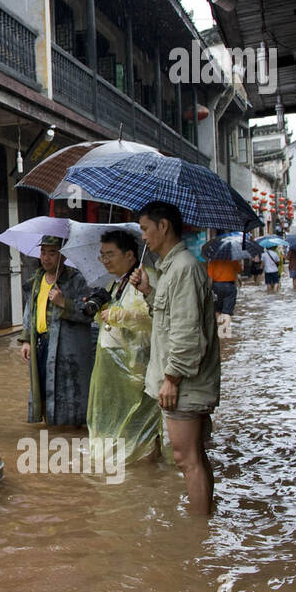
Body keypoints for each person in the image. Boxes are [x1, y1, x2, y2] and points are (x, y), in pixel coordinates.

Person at [132, 200, 220, 516]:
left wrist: (171, 379)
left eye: (145, 229)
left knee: (186, 459)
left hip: (184, 384)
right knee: (194, 455)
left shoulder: (183, 268)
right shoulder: (173, 269)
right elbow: (173, 317)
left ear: (164, 226)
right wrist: (148, 291)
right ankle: (207, 520)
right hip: (183, 382)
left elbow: (187, 333)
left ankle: (198, 534)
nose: (143, 237)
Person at [86, 229, 162, 465]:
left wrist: (119, 315)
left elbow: (153, 318)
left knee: (143, 424)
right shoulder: (115, 284)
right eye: (102, 255)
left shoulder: (146, 278)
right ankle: (125, 465)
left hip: (138, 366)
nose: (105, 260)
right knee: (121, 422)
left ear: (130, 255)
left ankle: (147, 470)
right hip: (115, 368)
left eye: (110, 254)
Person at [16, 235, 96, 428]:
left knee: (69, 394)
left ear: (63, 255)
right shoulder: (37, 279)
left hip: (67, 349)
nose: (46, 258)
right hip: (41, 345)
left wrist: (63, 303)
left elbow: (89, 314)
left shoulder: (77, 280)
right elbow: (30, 311)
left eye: (52, 253)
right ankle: (51, 433)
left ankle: (69, 434)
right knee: (43, 391)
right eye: (43, 252)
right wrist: (27, 340)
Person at [206, 255, 240, 339]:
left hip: (216, 287)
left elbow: (210, 278)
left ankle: (218, 332)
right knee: (227, 312)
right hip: (230, 286)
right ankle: (226, 333)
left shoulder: (213, 262)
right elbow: (239, 271)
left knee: (217, 310)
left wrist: (208, 290)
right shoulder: (233, 260)